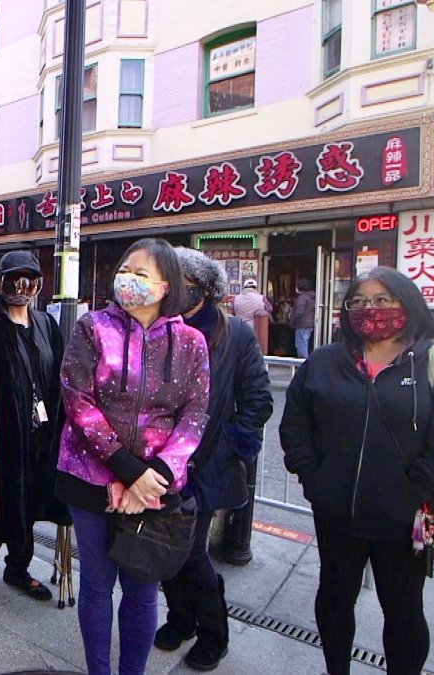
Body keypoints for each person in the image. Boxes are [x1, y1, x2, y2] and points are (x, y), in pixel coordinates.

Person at [279, 267, 434, 675]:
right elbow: (295, 427)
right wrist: (316, 483)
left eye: (382, 300)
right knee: (334, 599)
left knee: (404, 610)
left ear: (406, 304)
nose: (370, 310)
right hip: (336, 515)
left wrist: (410, 496)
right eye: (359, 301)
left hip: (406, 523)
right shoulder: (322, 361)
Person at [57, 238, 210, 675]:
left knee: (143, 593)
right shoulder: (92, 327)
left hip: (155, 489)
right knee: (96, 587)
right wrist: (126, 469)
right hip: (91, 478)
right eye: (125, 270)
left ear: (166, 285)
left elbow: (195, 415)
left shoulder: (190, 342)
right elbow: (78, 400)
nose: (128, 280)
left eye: (141, 274)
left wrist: (155, 476)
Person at [154, 249, 273, 671]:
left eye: (182, 280)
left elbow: (258, 400)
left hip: (205, 465)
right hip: (158, 465)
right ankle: (179, 619)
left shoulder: (236, 334)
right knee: (164, 548)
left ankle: (213, 633)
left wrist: (231, 446)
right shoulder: (157, 326)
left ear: (203, 289)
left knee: (191, 552)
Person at [0, 251, 70, 605]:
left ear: (38, 285)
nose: (21, 288)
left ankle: (18, 568)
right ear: (0, 281)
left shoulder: (46, 325)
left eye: (28, 280)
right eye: (14, 279)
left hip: (37, 435)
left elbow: (58, 378)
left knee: (28, 500)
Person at [289, 278, 315, 358]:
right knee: (305, 343)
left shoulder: (302, 298)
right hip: (310, 324)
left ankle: (303, 364)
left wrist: (293, 322)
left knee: (301, 345)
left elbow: (299, 312)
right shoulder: (312, 297)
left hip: (302, 324)